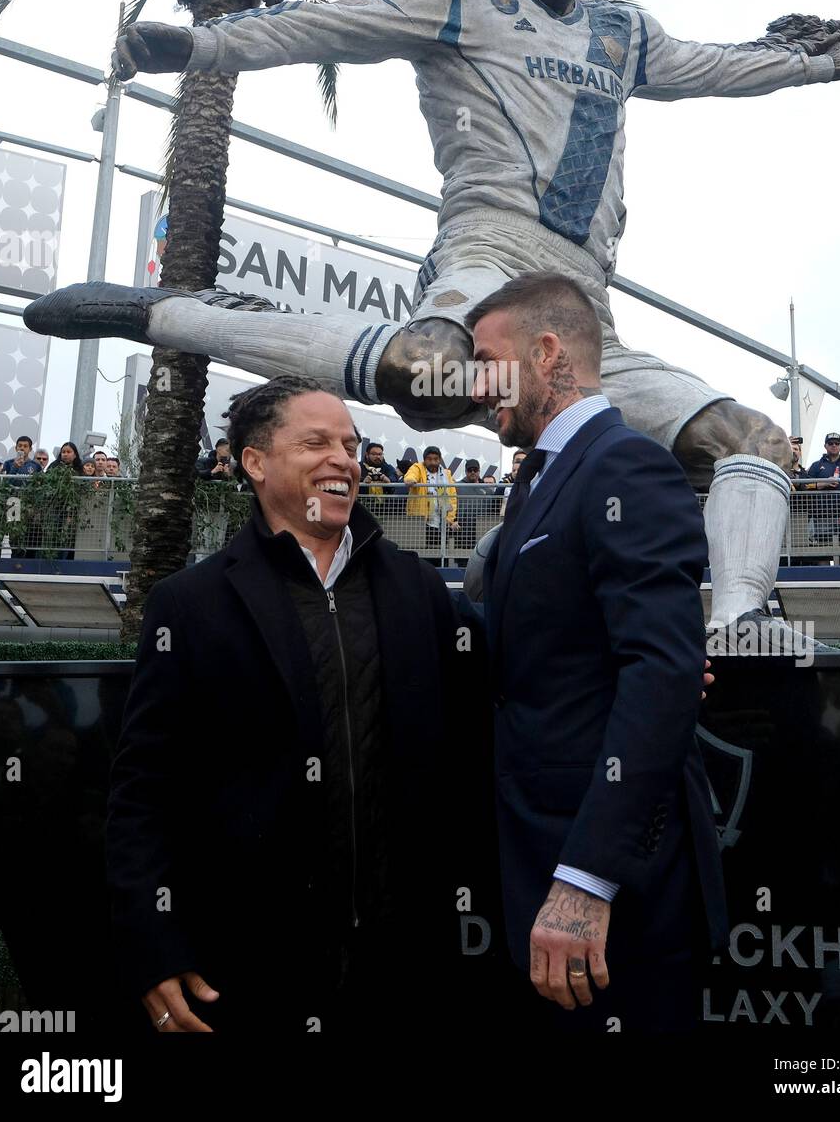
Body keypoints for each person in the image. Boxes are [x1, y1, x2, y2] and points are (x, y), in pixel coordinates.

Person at [25, 0, 840, 660]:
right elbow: (332, 24)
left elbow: (716, 66)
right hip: (486, 261)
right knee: (427, 374)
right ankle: (165, 313)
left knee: (754, 442)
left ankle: (738, 624)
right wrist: (207, 45)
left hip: (585, 316)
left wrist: (811, 62)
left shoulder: (623, 33)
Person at [106, 375, 482, 1035]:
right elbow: (145, 790)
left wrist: (660, 659)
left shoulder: (419, 591)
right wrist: (152, 943)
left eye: (350, 443)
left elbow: (506, 692)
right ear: (255, 462)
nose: (343, 458)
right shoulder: (190, 606)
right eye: (316, 442)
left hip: (407, 962)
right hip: (253, 969)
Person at [461, 272, 725, 1033]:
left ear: (548, 354)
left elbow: (663, 670)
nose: (476, 385)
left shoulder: (624, 466)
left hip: (613, 905)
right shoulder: (542, 482)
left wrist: (585, 882)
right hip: (541, 882)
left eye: (486, 360)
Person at [402, 446, 459, 563]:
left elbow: (452, 498)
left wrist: (450, 519)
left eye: (436, 459)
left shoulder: (446, 474)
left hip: (441, 521)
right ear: (424, 460)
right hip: (421, 521)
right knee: (419, 556)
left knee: (438, 555)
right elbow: (411, 475)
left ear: (440, 460)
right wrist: (410, 480)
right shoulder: (417, 467)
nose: (433, 462)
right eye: (429, 459)